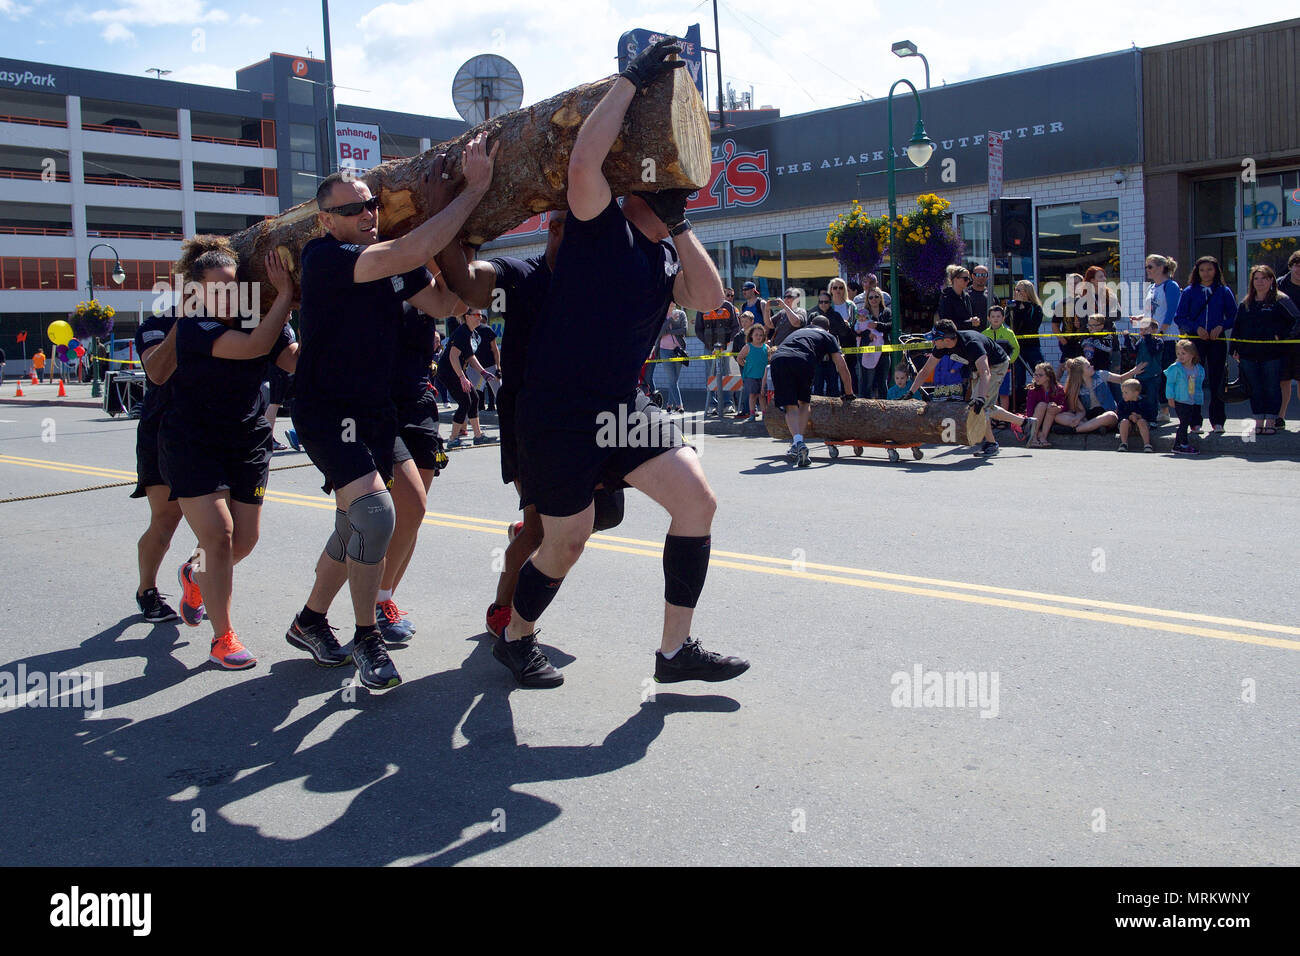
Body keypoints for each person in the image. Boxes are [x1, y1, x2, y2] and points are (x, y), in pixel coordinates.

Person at [499, 38, 748, 689]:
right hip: (555, 413)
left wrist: (681, 225)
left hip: (619, 408)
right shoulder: (598, 225)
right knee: (568, 539)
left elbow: (712, 298)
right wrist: (632, 79)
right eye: (670, 188)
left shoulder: (668, 256)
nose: (677, 196)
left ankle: (673, 654)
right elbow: (585, 158)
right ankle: (516, 635)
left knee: (697, 501)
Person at [285, 132, 497, 691]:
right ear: (326, 220)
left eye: (371, 204)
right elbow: (402, 253)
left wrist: (459, 250)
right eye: (351, 208)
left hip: (376, 409)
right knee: (376, 514)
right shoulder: (325, 256)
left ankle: (309, 621)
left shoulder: (389, 265)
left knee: (396, 506)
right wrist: (471, 192)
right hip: (327, 411)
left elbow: (446, 304)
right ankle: (366, 637)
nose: (366, 214)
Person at [161, 238, 297, 670]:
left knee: (244, 540)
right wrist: (288, 299)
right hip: (193, 440)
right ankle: (223, 638)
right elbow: (255, 346)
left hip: (248, 439)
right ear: (196, 291)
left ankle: (193, 574)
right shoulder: (192, 325)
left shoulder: (259, 312)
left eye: (233, 286)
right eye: (215, 288)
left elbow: (294, 359)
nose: (226, 295)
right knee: (218, 534)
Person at [375, 293, 463, 643]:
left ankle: (385, 599)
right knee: (405, 508)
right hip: (378, 406)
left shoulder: (429, 285)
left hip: (420, 406)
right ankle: (375, 603)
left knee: (412, 517)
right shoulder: (378, 271)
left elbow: (460, 301)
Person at [903, 318, 1036, 456]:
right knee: (982, 407)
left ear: (946, 340)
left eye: (935, 339)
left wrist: (980, 397)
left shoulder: (971, 343)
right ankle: (1025, 423)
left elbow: (986, 372)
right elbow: (926, 370)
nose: (932, 342)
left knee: (979, 407)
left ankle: (991, 444)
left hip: (995, 365)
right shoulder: (941, 347)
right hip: (976, 368)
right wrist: (910, 392)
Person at [130, 307, 185, 623]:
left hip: (211, 432)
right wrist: (187, 322)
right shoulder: (156, 325)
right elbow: (157, 371)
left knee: (222, 525)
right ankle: (146, 590)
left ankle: (199, 577)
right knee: (167, 518)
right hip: (162, 430)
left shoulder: (232, 317)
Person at [769, 323, 855, 465]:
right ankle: (799, 443)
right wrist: (849, 393)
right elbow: (841, 365)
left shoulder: (799, 332)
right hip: (803, 359)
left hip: (779, 358)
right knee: (804, 402)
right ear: (826, 329)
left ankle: (797, 443)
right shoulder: (828, 336)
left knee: (790, 405)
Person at [1172, 255, 1236, 432]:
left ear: (1216, 271)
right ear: (1197, 272)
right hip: (1195, 342)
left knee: (1217, 379)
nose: (1206, 273)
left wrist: (1221, 326)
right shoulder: (1189, 291)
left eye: (1209, 269)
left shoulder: (1223, 291)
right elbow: (1179, 317)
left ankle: (1218, 421)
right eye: (1202, 270)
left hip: (1217, 341)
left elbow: (1234, 316)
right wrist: (1196, 328)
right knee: (1194, 379)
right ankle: (1195, 421)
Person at [1233, 264, 1295, 437]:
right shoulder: (1246, 302)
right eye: (1256, 278)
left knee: (1272, 387)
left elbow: (1296, 320)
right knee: (1255, 388)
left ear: (1271, 280)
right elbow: (1237, 327)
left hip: (1272, 354)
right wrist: (1235, 348)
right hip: (1248, 354)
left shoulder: (1280, 300)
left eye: (1264, 278)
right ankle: (1258, 421)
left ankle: (1271, 422)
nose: (1259, 282)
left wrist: (1283, 336)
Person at [439, 307, 498, 447]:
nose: (480, 317)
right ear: (467, 316)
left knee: (475, 398)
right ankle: (453, 438)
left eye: (481, 314)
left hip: (457, 371)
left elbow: (470, 357)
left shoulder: (471, 332)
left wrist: (483, 372)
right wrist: (462, 377)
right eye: (477, 314)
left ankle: (478, 436)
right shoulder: (462, 333)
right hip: (449, 372)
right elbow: (453, 356)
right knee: (465, 401)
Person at [1141, 254, 1182, 420]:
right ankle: (1158, 407)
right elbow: (1150, 312)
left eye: (1150, 267)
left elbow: (1172, 311)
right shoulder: (1151, 288)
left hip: (1167, 338)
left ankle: (1167, 409)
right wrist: (1141, 322)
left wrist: (1162, 331)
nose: (1148, 270)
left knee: (1166, 374)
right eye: (1147, 267)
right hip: (1152, 336)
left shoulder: (1170, 285)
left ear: (1161, 268)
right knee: (1152, 373)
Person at [695, 287, 739, 416]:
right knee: (710, 376)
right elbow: (698, 329)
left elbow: (735, 327)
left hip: (725, 348)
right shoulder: (702, 308)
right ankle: (712, 405)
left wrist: (729, 342)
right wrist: (709, 344)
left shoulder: (728, 306)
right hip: (709, 349)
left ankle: (728, 404)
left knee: (725, 374)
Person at [1007, 280, 1044, 413]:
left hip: (1032, 346)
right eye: (1016, 290)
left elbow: (1031, 327)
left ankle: (1042, 399)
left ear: (1027, 292)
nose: (1016, 293)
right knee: (1018, 378)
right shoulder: (1011, 307)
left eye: (1019, 290)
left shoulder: (1036, 308)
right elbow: (1012, 326)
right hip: (1017, 347)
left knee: (1040, 372)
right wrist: (1017, 308)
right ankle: (1019, 405)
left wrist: (1024, 309)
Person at [1165, 339, 1205, 455]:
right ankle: (1183, 444)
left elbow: (1197, 385)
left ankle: (1177, 445)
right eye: (1178, 353)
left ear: (1192, 354)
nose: (1180, 356)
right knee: (1184, 423)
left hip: (1191, 400)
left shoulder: (1197, 368)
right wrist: (1170, 398)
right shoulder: (1175, 368)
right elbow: (1170, 384)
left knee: (1185, 422)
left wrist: (1198, 398)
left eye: (1183, 353)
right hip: (1180, 400)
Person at [1275, 250, 1300, 427]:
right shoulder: (1279, 285)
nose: (1299, 270)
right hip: (1282, 341)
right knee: (1282, 380)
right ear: (1291, 266)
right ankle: (1280, 416)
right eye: (1297, 266)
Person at [982, 305, 1020, 421]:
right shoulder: (984, 334)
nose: (996, 319)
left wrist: (1009, 361)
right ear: (988, 318)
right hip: (989, 370)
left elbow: (1016, 349)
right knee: (992, 395)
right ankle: (992, 419)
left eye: (998, 316)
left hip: (1004, 370)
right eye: (993, 316)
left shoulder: (1009, 333)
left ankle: (1003, 419)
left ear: (1003, 318)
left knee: (1003, 394)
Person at [1128, 317, 1167, 423]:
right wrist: (1127, 339)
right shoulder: (1141, 341)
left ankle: (1152, 419)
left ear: (1154, 330)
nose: (1143, 332)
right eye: (1141, 330)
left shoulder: (1159, 341)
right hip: (1140, 375)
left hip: (1152, 376)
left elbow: (1153, 351)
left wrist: (1148, 338)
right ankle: (1140, 418)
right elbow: (1133, 353)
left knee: (1152, 399)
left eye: (1146, 329)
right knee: (1138, 398)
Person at [855, 289, 892, 398]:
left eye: (876, 297)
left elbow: (890, 326)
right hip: (867, 350)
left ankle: (884, 407)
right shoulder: (863, 312)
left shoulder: (886, 311)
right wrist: (868, 334)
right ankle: (864, 406)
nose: (874, 299)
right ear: (867, 299)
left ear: (880, 298)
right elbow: (856, 330)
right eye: (871, 297)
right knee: (867, 381)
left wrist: (877, 325)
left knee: (882, 381)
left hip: (883, 349)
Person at [655, 300, 689, 412]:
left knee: (673, 380)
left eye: (673, 302)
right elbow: (658, 333)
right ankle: (680, 406)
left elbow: (684, 330)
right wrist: (669, 320)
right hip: (665, 350)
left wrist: (669, 332)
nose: (671, 303)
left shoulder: (681, 314)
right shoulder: (661, 315)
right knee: (672, 379)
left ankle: (669, 404)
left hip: (678, 351)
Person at [1024, 363, 1066, 448]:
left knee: (1051, 406)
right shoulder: (1033, 389)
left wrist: (1058, 408)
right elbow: (1029, 411)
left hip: (1050, 420)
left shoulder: (1058, 389)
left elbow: (1065, 405)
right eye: (1035, 374)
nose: (1036, 377)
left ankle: (1043, 437)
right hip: (1035, 421)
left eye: (1040, 375)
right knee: (1042, 405)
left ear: (1048, 377)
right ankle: (1033, 437)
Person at [736, 324, 769, 420]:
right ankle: (752, 414)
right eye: (756, 335)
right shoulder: (748, 347)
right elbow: (739, 358)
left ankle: (764, 414)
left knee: (762, 396)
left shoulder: (766, 347)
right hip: (750, 376)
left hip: (763, 376)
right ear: (751, 336)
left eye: (761, 335)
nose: (758, 337)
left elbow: (769, 360)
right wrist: (746, 365)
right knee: (752, 395)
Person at [470, 313, 500, 412]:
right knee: (468, 397)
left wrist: (498, 368)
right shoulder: (467, 330)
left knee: (500, 395)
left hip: (489, 366)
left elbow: (495, 350)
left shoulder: (487, 330)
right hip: (474, 366)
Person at [1114, 379, 1153, 452]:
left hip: (1140, 427)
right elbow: (1120, 415)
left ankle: (1147, 444)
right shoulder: (1122, 403)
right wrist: (1129, 417)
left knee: (1141, 422)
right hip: (1128, 428)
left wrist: (1139, 416)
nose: (1123, 395)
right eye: (1122, 392)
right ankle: (1124, 443)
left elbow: (1149, 415)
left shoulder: (1143, 402)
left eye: (1126, 393)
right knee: (1124, 421)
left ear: (1136, 393)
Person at [967, 266, 994, 330]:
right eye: (978, 275)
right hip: (972, 333)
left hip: (989, 333)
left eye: (984, 275)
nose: (981, 277)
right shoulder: (965, 294)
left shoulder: (992, 295)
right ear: (972, 276)